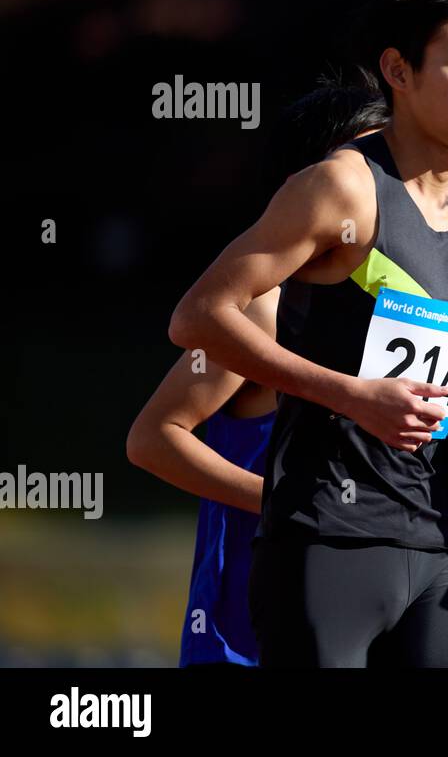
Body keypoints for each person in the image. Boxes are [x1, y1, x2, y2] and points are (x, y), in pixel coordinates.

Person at [167, 0, 448, 667]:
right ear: (399, 71)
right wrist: (352, 397)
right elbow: (198, 316)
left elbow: (419, 360)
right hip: (324, 541)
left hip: (431, 541)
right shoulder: (343, 186)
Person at [127, 85, 390, 667]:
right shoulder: (260, 307)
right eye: (370, 166)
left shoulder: (388, 311)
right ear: (311, 185)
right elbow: (152, 439)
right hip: (248, 629)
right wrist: (285, 501)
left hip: (363, 603)